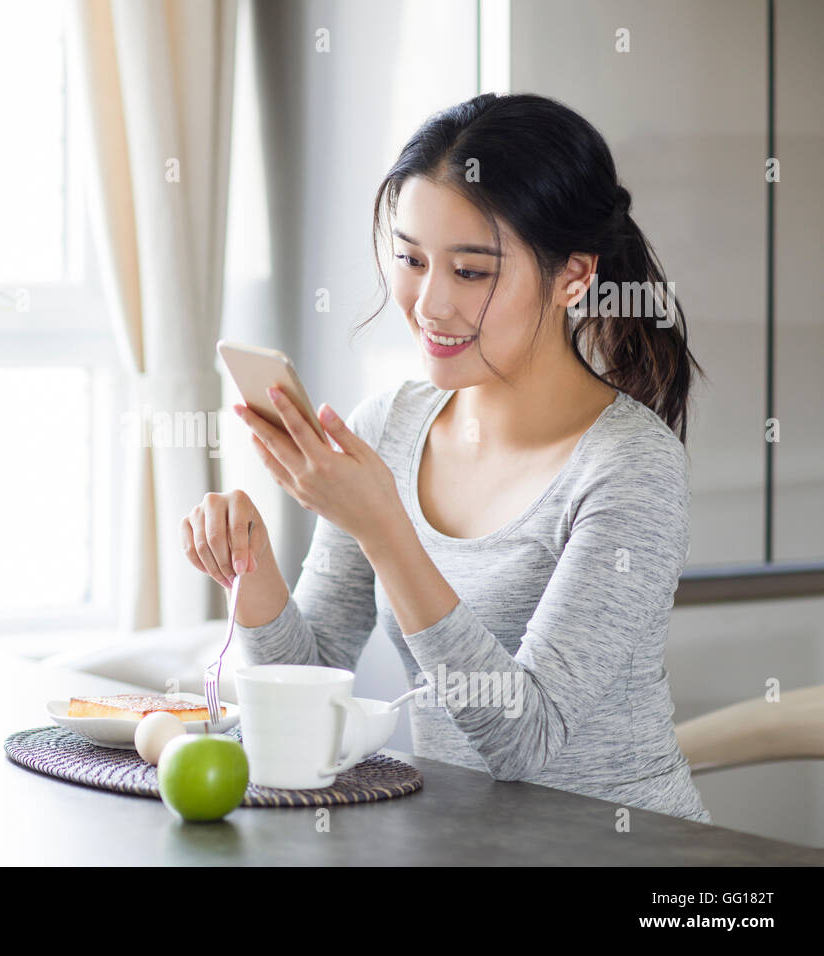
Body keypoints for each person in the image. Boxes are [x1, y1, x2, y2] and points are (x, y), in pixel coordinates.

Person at [181, 92, 712, 824]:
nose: (429, 305)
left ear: (574, 277)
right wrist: (253, 568)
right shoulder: (390, 428)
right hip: (460, 843)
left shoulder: (631, 468)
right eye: (410, 259)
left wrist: (384, 529)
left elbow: (527, 741)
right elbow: (306, 688)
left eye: (470, 271)